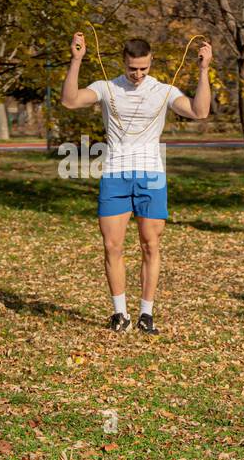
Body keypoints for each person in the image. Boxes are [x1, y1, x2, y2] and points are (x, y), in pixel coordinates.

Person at [61, 32, 212, 333]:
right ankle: (120, 314)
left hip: (151, 176)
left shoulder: (164, 91)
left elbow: (200, 111)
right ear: (124, 62)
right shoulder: (107, 88)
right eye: (133, 68)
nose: (138, 75)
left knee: (150, 245)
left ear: (150, 62)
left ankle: (146, 314)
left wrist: (204, 69)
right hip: (115, 175)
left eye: (144, 68)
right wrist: (76, 60)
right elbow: (70, 100)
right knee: (112, 246)